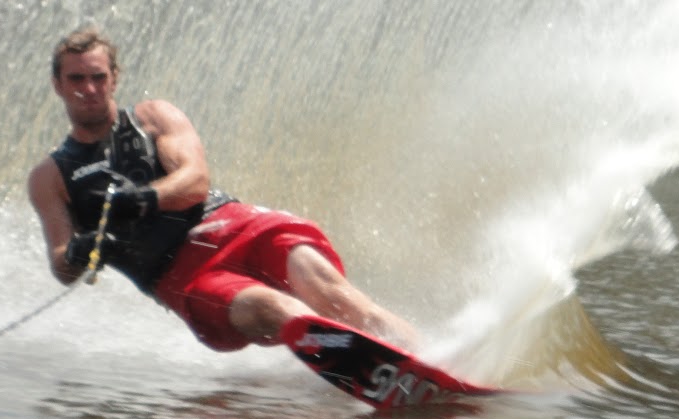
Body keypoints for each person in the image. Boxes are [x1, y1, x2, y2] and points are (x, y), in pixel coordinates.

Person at [28, 26, 423, 356]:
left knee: (331, 292)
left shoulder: (154, 117)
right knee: (272, 308)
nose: (89, 88)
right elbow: (62, 265)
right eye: (76, 79)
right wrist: (80, 251)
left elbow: (194, 180)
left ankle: (427, 361)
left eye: (98, 77)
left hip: (235, 224)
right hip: (183, 275)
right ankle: (354, 357)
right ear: (57, 85)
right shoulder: (50, 176)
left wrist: (142, 200)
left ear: (114, 78)